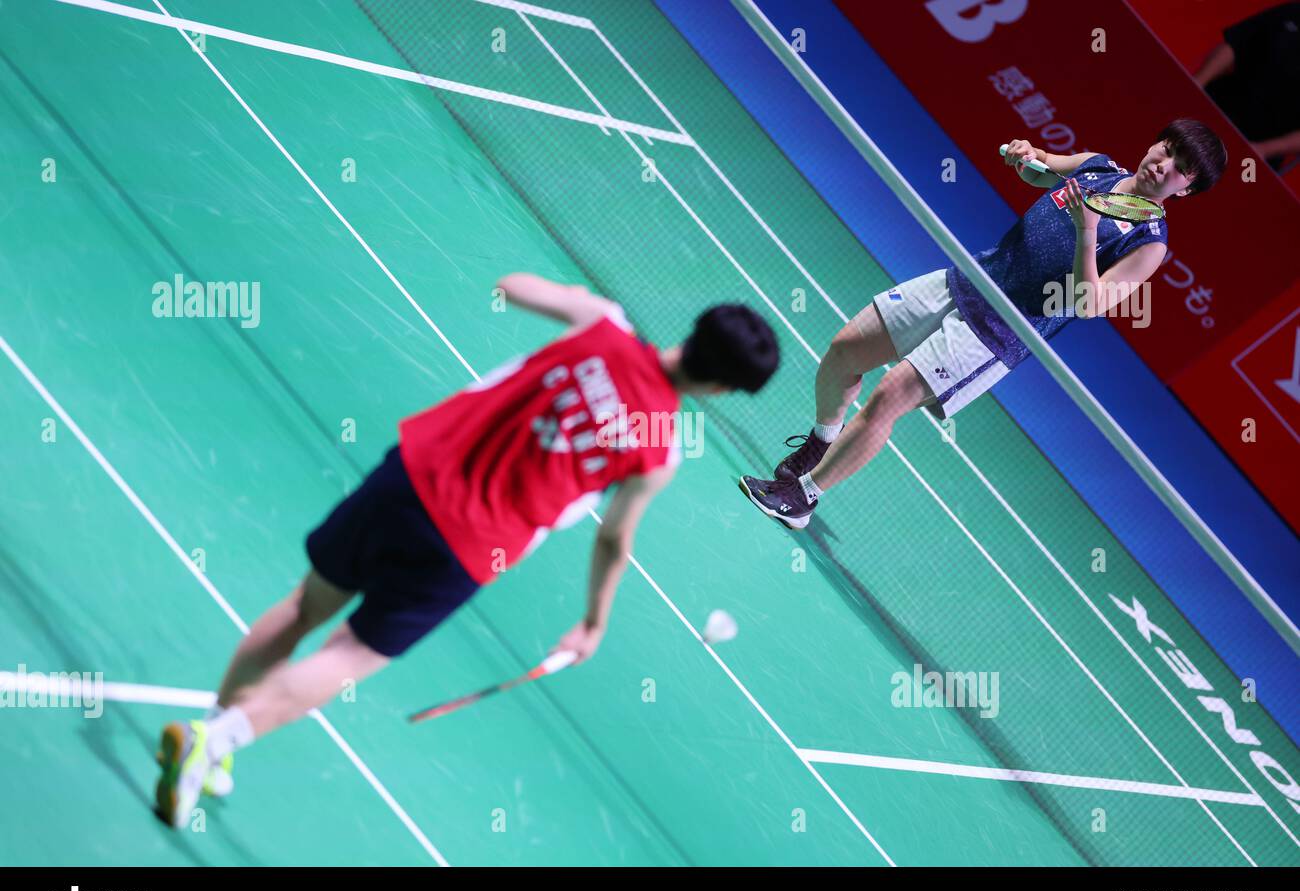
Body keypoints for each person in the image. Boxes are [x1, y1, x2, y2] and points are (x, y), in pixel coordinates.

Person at [154, 274, 779, 827]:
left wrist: (579, 302)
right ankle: (214, 740)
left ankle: (210, 729)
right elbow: (614, 538)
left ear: (694, 331)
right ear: (723, 388)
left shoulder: (603, 325)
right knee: (351, 653)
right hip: (468, 546)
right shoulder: (660, 451)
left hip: (411, 476)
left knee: (302, 609)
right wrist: (592, 623)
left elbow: (510, 285)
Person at [739, 119, 1226, 529]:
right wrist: (1026, 156)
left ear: (1188, 189)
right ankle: (820, 444)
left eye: (1181, 169)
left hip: (999, 331)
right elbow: (1044, 174)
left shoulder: (1149, 243)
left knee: (889, 397)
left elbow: (1090, 302)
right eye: (1168, 149)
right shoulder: (1099, 166)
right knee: (845, 350)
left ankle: (803, 496)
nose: (1164, 164)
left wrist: (1087, 232)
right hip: (971, 278)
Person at [1194, 2, 1300, 170]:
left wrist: (1263, 150)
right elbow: (1236, 44)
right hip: (1213, 107)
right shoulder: (1293, 12)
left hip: (1254, 151)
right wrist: (1198, 83)